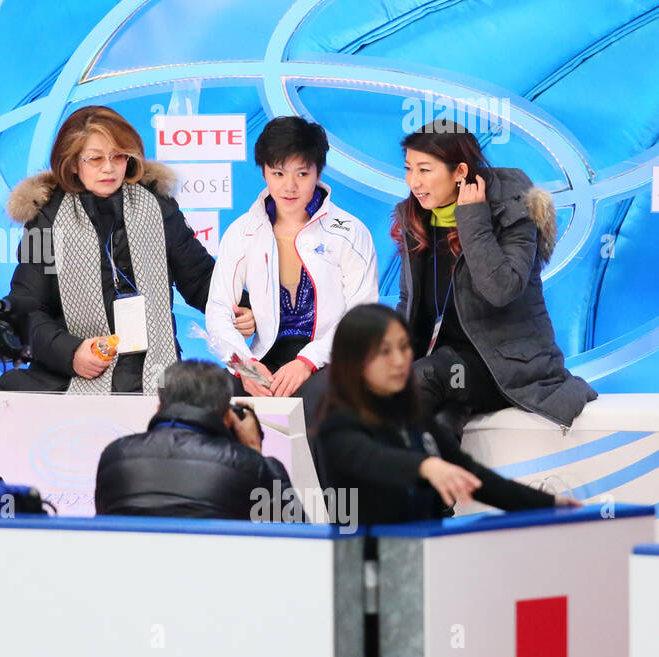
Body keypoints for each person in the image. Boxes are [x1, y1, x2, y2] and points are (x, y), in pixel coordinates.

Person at [392, 120, 596, 440]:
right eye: (409, 169)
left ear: (459, 171)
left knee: (425, 376)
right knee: (440, 423)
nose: (414, 182)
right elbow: (410, 300)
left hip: (504, 366)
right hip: (449, 367)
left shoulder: (510, 209)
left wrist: (473, 219)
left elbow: (501, 289)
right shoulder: (416, 217)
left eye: (424, 169)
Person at [0, 105, 217, 394]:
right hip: (73, 371)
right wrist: (71, 353)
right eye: (95, 159)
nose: (109, 168)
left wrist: (240, 309)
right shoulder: (45, 220)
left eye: (118, 156)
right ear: (73, 163)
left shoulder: (158, 208)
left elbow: (200, 280)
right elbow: (27, 305)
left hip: (152, 368)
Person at [315, 304, 579, 526]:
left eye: (404, 347)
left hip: (428, 558)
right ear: (355, 361)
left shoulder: (413, 416)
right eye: (384, 352)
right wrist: (425, 466)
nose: (399, 360)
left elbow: (471, 475)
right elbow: (372, 459)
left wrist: (549, 505)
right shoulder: (336, 424)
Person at [206, 116, 378, 434]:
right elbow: (217, 309)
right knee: (219, 402)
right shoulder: (242, 232)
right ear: (263, 173)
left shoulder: (350, 232)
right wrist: (244, 365)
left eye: (302, 173)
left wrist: (308, 361)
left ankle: (318, 485)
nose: (290, 186)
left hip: (330, 360)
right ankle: (249, 483)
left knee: (316, 402)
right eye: (278, 173)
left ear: (318, 172)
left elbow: (363, 317)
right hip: (261, 361)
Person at [94, 360, 298, 519]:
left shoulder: (114, 455)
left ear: (159, 409)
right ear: (228, 417)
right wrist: (254, 452)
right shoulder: (249, 464)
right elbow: (301, 539)